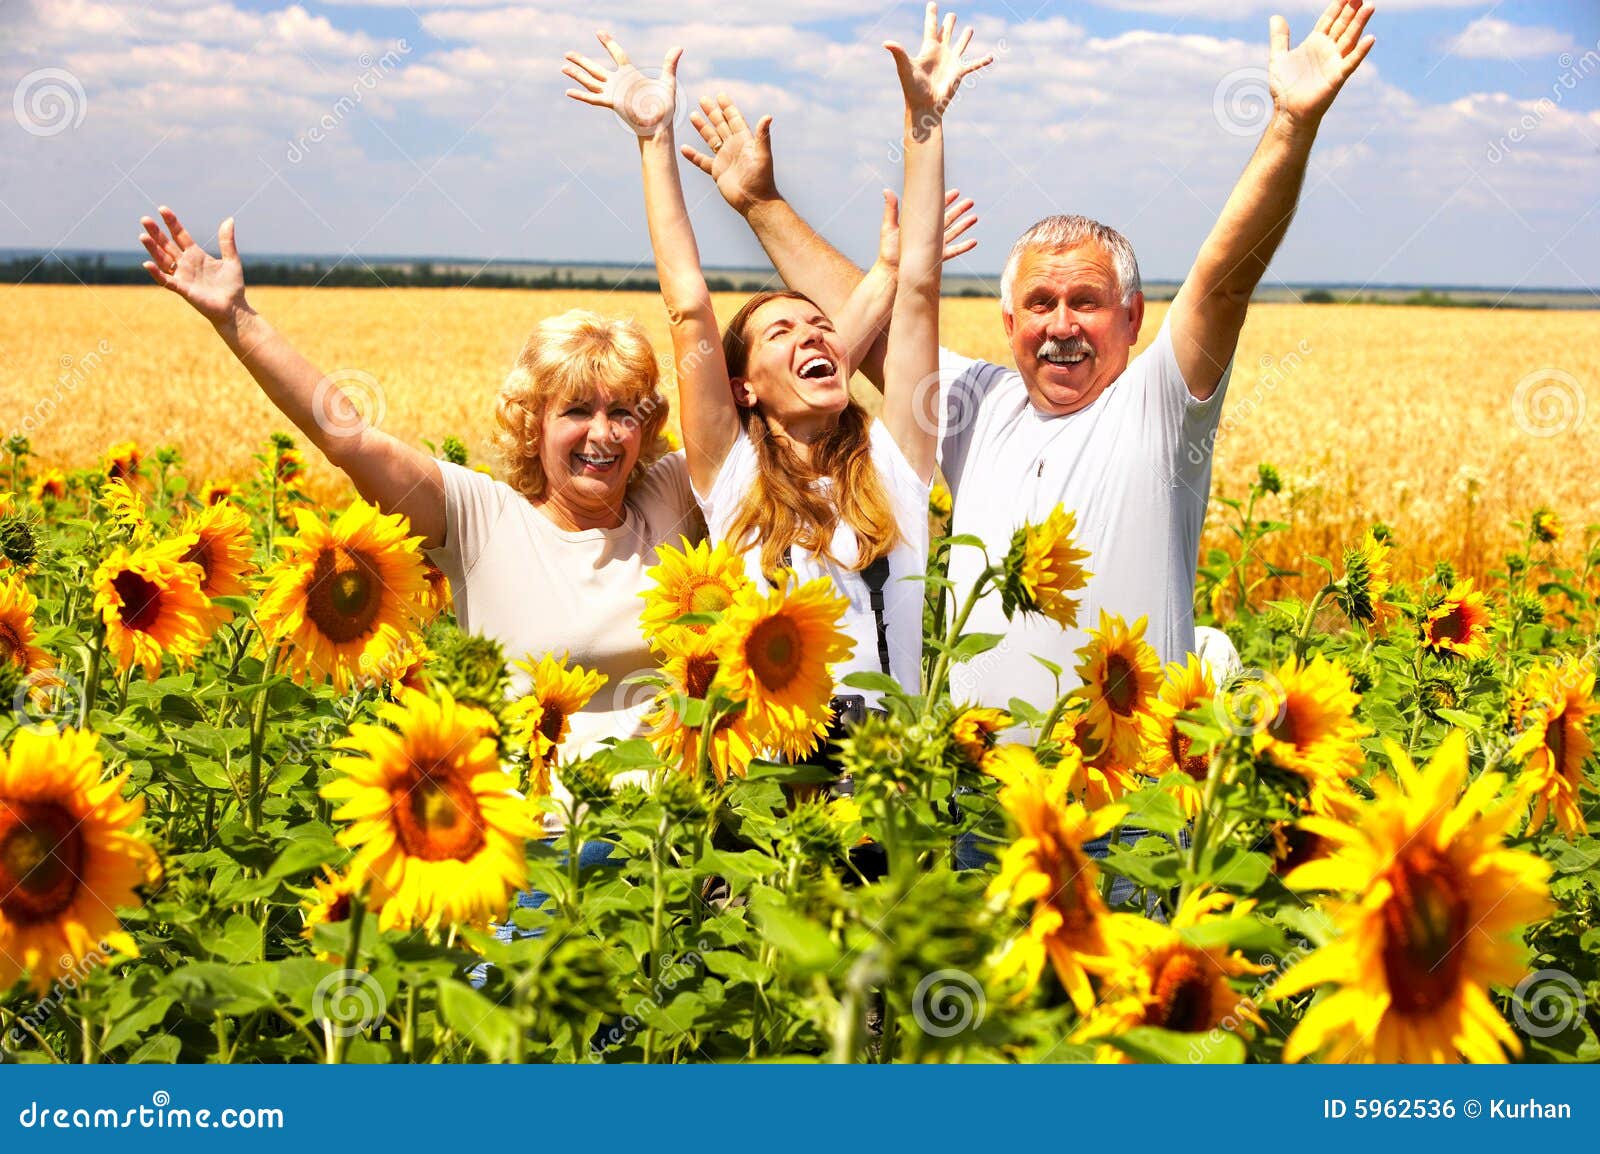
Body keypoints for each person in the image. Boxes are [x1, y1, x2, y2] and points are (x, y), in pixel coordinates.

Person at [683, 0, 1379, 715]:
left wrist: (1291, 126)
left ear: (1135, 317)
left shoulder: (1161, 403)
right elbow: (867, 332)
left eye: (1088, 301)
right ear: (1009, 319)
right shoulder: (977, 407)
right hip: (981, 809)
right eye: (1040, 303)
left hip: (1132, 802)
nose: (1062, 326)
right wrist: (762, 205)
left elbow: (1227, 275)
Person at [135, 207, 704, 821]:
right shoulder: (484, 520)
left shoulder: (671, 498)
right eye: (576, 411)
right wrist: (237, 319)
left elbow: (747, 403)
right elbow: (348, 438)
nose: (603, 434)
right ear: (532, 424)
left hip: (659, 867)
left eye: (623, 412)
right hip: (533, 862)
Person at [561, 5, 992, 729]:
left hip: (895, 797)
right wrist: (653, 138)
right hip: (772, 808)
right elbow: (687, 308)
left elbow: (917, 290)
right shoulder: (733, 479)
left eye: (823, 326)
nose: (813, 335)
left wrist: (925, 120)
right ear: (744, 389)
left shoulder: (897, 464)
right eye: (780, 332)